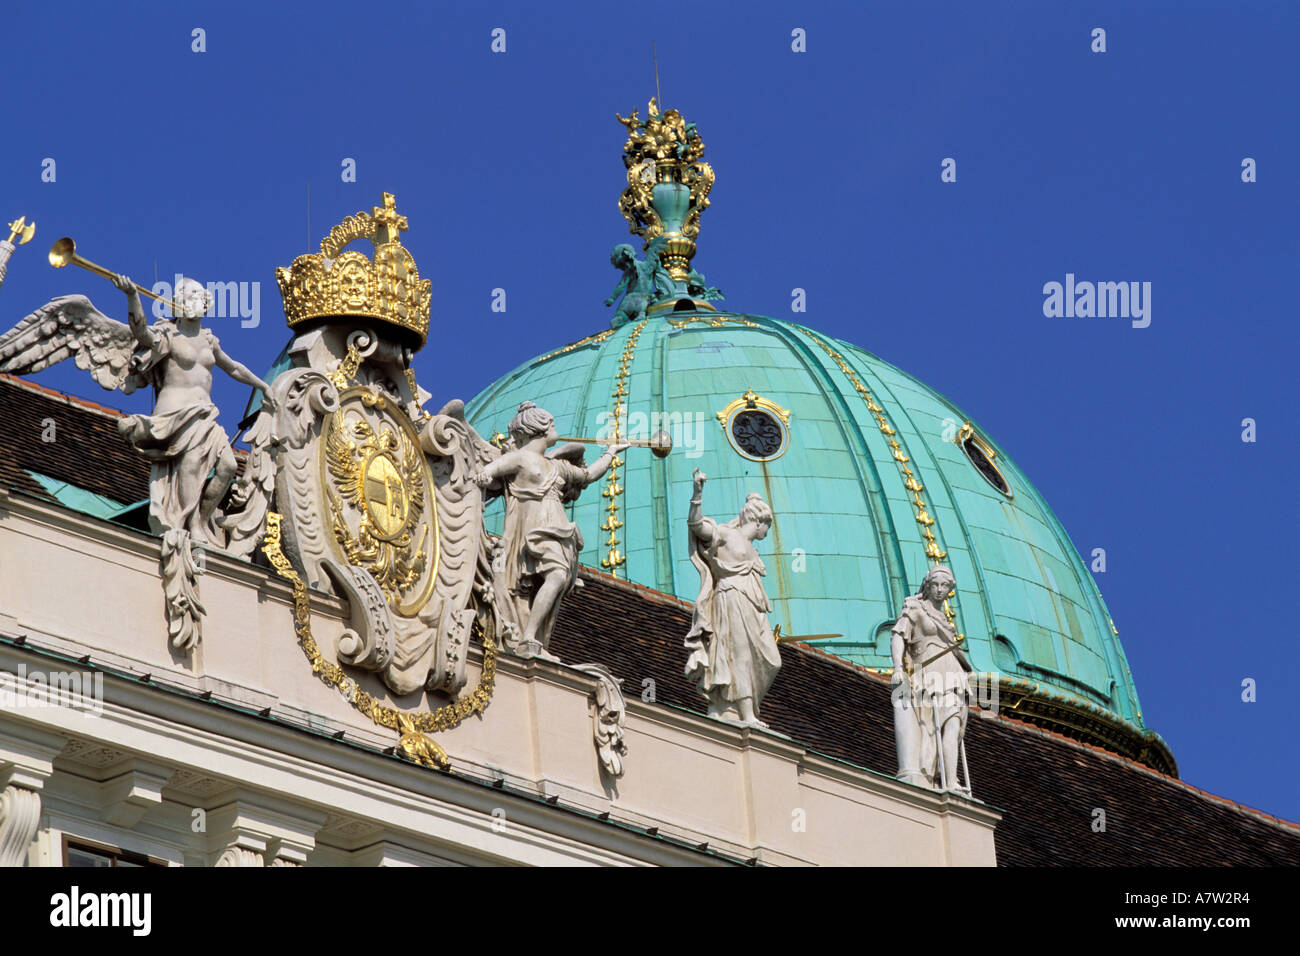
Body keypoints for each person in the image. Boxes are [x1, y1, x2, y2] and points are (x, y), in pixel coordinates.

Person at [112, 273, 275, 547]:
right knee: (189, 469)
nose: (195, 302)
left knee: (228, 466)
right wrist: (131, 295)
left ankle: (200, 517)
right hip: (177, 414)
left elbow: (233, 367)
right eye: (189, 298)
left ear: (207, 303)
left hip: (205, 413)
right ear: (178, 305)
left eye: (199, 297)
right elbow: (140, 332)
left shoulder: (209, 340)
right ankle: (192, 525)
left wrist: (263, 387)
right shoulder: (168, 335)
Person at [475, 401, 627, 656]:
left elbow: (588, 475)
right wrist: (485, 474)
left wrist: (611, 453)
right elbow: (491, 469)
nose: (556, 428)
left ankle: (533, 636)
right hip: (531, 528)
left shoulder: (558, 466)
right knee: (556, 576)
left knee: (557, 578)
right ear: (540, 428)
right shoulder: (520, 459)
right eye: (552, 424)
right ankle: (529, 638)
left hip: (558, 527)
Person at [683, 469, 782, 727]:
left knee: (772, 659)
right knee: (740, 655)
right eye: (767, 527)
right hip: (731, 599)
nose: (767, 533)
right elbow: (696, 525)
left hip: (752, 607)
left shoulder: (752, 549)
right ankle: (743, 713)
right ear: (760, 522)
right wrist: (698, 493)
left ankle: (743, 706)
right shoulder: (726, 534)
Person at [890, 565, 972, 792]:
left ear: (950, 589)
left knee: (952, 724)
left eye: (944, 586)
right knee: (934, 726)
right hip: (929, 673)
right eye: (935, 584)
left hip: (952, 672)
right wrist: (898, 666)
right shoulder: (915, 608)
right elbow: (898, 636)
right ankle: (939, 776)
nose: (939, 590)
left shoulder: (946, 621)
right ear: (927, 585)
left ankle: (950, 781)